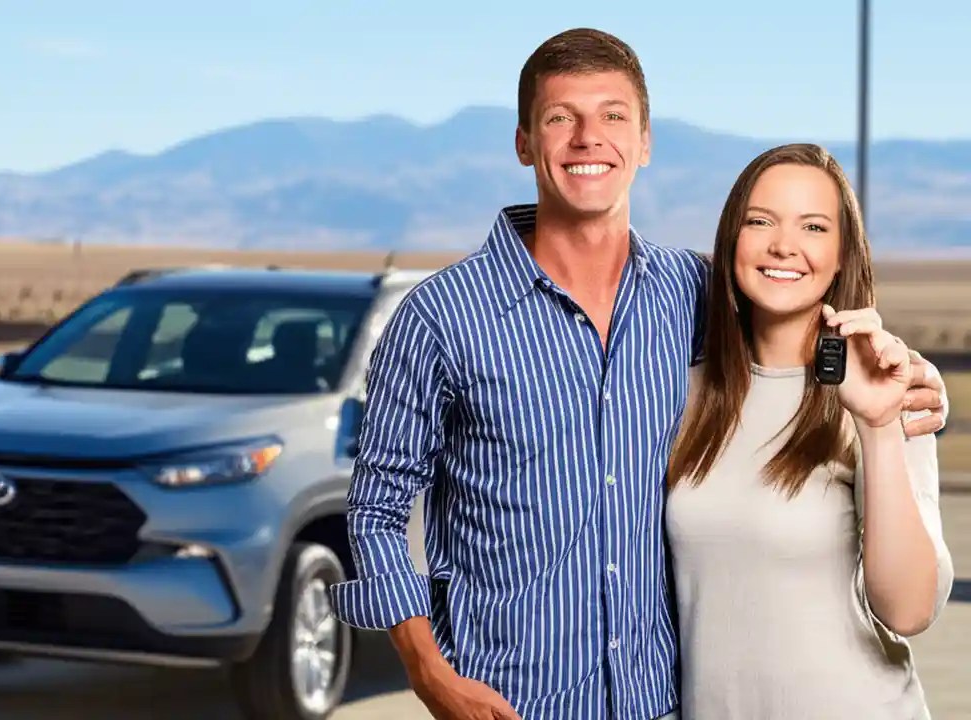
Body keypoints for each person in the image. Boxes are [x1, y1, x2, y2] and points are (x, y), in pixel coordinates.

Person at [325, 27, 951, 720]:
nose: (589, 137)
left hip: (657, 705)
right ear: (525, 143)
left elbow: (793, 320)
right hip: (512, 704)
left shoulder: (691, 293)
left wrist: (917, 387)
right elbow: (376, 510)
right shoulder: (441, 316)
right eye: (561, 117)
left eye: (614, 116)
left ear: (646, 142)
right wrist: (428, 671)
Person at [665, 143, 953, 719]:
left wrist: (876, 425)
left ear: (843, 254)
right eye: (760, 221)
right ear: (731, 241)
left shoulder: (889, 386)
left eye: (814, 226)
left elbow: (909, 610)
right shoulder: (683, 394)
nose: (783, 246)